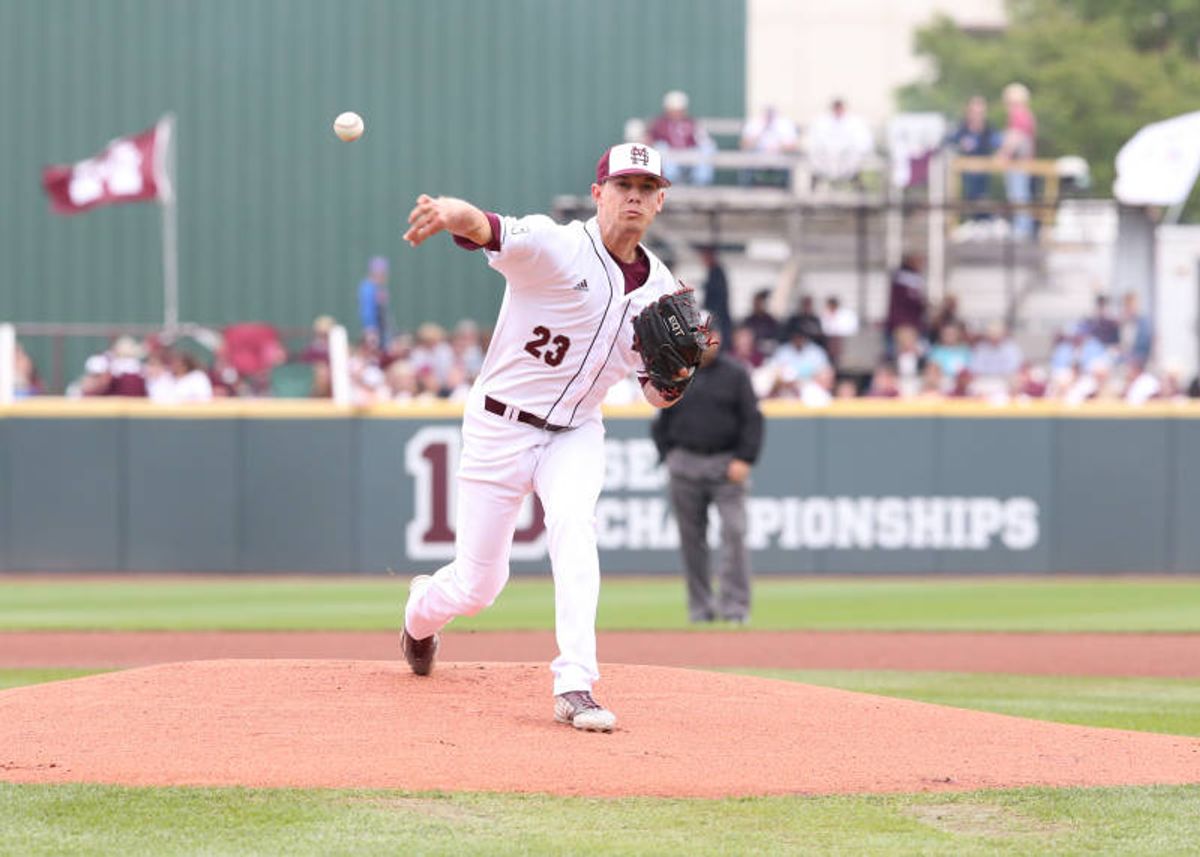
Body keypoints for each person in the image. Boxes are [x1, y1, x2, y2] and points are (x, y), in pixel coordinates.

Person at [399, 142, 690, 733]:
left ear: (660, 202)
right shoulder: (556, 246)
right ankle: (419, 615)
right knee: (479, 586)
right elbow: (486, 227)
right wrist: (450, 211)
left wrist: (676, 379)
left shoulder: (663, 289)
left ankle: (574, 683)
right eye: (623, 186)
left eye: (646, 188)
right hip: (499, 425)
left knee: (574, 526)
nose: (634, 197)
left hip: (575, 432)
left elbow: (655, 395)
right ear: (598, 194)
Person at [652, 340, 763, 624]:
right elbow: (660, 418)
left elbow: (753, 419)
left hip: (726, 464)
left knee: (734, 532)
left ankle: (735, 607)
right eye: (700, 334)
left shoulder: (736, 373)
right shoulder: (678, 371)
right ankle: (700, 608)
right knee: (691, 541)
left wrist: (745, 458)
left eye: (710, 334)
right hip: (685, 461)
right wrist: (668, 455)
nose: (706, 342)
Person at [996, 83, 1037, 240]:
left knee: (1019, 195)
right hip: (1021, 162)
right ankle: (1022, 227)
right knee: (1019, 194)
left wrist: (1003, 154)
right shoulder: (1025, 114)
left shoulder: (1019, 114)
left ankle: (1022, 229)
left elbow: (1015, 137)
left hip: (1019, 162)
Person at [647, 90, 715, 186]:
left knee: (707, 149)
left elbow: (705, 140)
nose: (677, 113)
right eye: (673, 110)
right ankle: (671, 181)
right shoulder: (659, 123)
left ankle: (701, 184)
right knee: (661, 147)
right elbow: (649, 139)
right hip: (670, 157)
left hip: (690, 154)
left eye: (679, 110)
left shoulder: (691, 122)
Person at [948, 96, 998, 222]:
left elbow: (996, 144)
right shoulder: (961, 127)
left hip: (984, 172)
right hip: (966, 173)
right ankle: (971, 221)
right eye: (975, 111)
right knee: (969, 196)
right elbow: (950, 141)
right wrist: (961, 144)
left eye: (980, 112)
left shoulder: (989, 128)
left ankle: (983, 221)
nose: (977, 115)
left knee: (982, 197)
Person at [806, 98, 874, 190]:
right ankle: (812, 192)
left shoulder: (855, 122)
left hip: (849, 157)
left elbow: (863, 140)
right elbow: (815, 140)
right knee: (817, 169)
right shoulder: (821, 122)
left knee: (854, 169)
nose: (838, 111)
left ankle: (860, 191)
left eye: (840, 108)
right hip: (825, 158)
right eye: (836, 109)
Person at [739, 105, 798, 187]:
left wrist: (779, 147)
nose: (770, 117)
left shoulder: (785, 124)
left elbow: (793, 147)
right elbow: (744, 145)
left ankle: (786, 189)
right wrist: (761, 132)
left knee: (789, 162)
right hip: (758, 157)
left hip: (779, 157)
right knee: (746, 162)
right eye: (767, 114)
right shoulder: (754, 123)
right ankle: (746, 190)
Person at [698, 246, 732, 348]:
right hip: (714, 315)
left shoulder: (717, 272)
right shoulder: (713, 272)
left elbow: (719, 296)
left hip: (718, 316)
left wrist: (712, 313)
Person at [358, 256, 391, 346]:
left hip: (382, 331)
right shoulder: (367, 288)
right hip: (374, 331)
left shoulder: (379, 288)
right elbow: (367, 311)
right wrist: (370, 329)